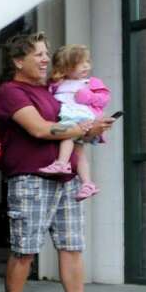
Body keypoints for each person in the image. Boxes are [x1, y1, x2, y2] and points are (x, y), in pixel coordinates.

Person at [0, 32, 113, 292]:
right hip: (30, 178)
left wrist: (92, 126)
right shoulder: (10, 92)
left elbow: (72, 128)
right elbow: (40, 129)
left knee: (72, 247)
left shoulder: (52, 91)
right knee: (24, 249)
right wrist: (84, 127)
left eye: (47, 53)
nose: (46, 59)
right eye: (38, 54)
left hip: (67, 179)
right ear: (19, 61)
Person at [41, 44, 110, 200]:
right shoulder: (57, 84)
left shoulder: (90, 82)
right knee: (79, 152)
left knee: (67, 136)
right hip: (67, 118)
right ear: (65, 68)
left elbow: (104, 99)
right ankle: (87, 184)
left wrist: (87, 96)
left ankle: (62, 163)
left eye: (87, 61)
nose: (86, 66)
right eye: (80, 63)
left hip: (81, 117)